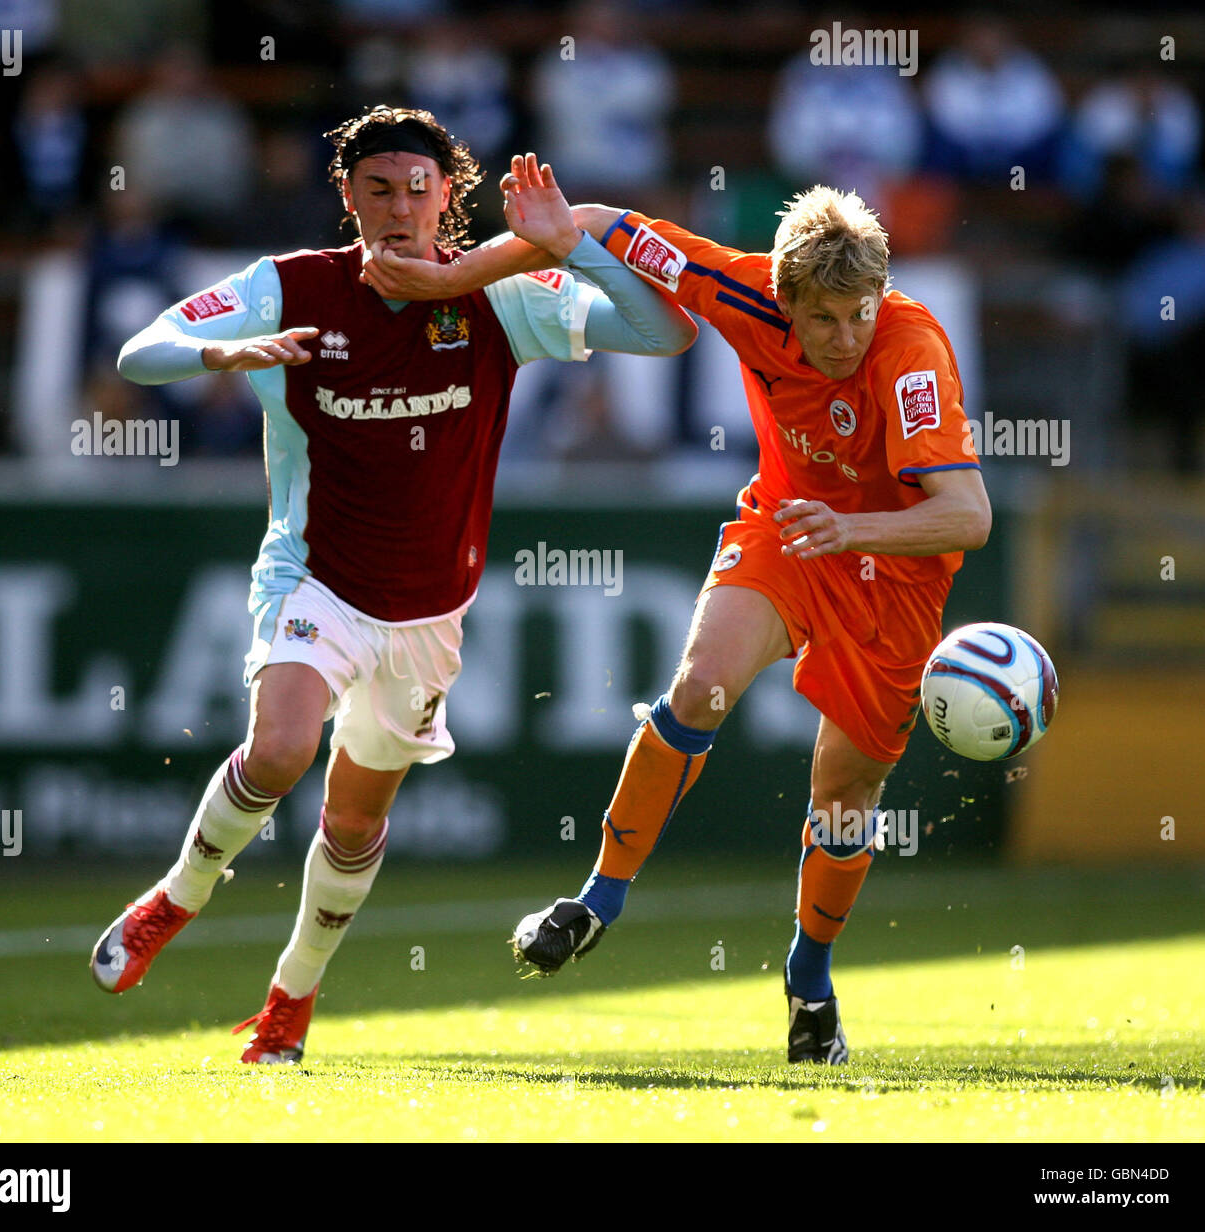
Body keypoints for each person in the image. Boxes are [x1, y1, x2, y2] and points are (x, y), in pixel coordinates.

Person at [89, 106, 697, 1065]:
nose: (401, 207)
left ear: (449, 196)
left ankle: (290, 1001)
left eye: (420, 188)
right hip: (314, 579)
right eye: (379, 188)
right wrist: (229, 353)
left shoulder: (500, 295)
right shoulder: (288, 287)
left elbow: (664, 330)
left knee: (355, 818)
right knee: (282, 748)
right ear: (349, 199)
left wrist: (568, 241)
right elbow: (136, 353)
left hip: (427, 614)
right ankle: (177, 898)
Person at [367, 171, 991, 1064]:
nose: (845, 336)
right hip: (788, 532)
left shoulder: (912, 351)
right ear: (783, 300)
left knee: (844, 797)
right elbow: (590, 221)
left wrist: (851, 526)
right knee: (698, 688)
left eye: (860, 312)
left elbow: (968, 516)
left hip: (894, 571)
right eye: (823, 319)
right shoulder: (738, 286)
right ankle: (595, 901)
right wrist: (460, 271)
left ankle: (809, 980)